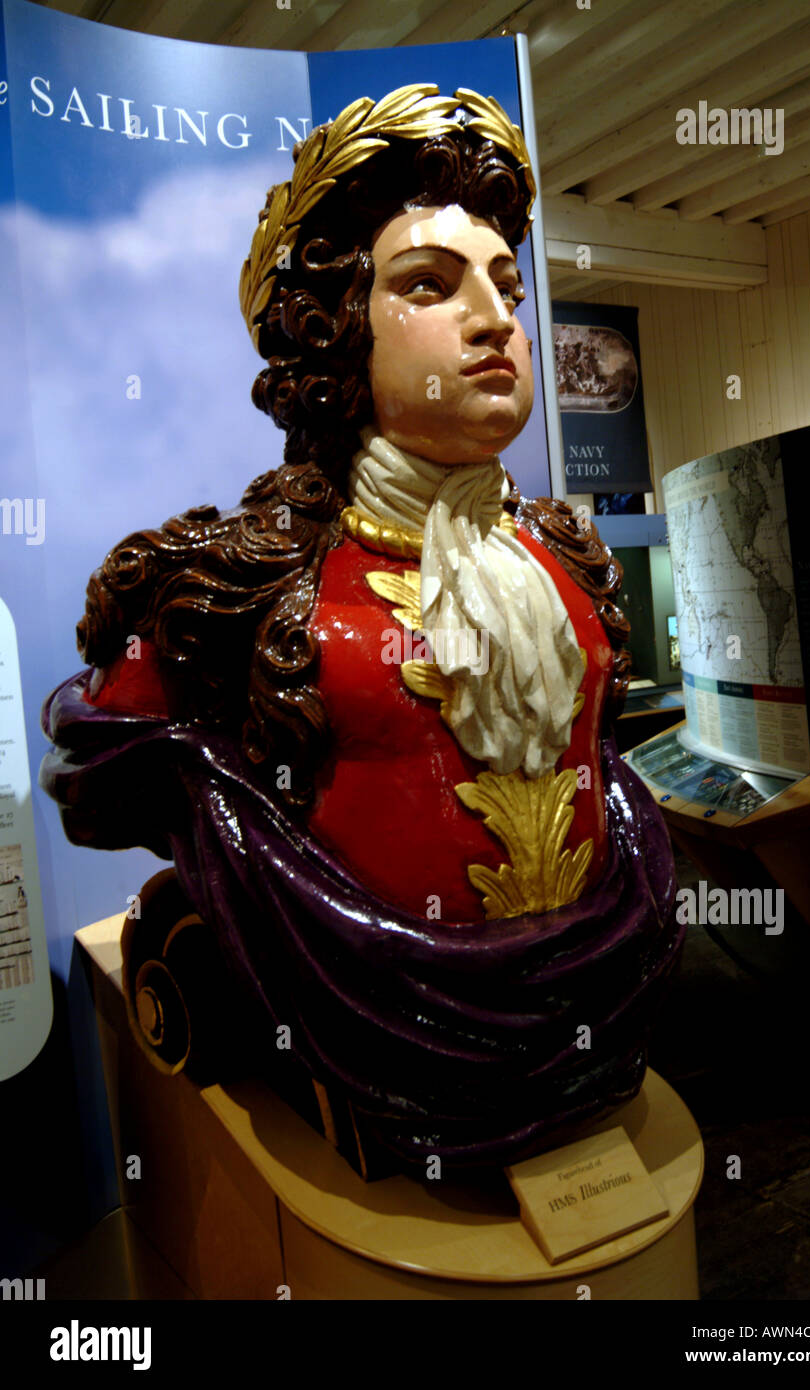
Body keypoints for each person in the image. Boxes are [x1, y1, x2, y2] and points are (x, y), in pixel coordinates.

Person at [41, 85, 681, 1174]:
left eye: (507, 285)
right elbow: (102, 761)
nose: (493, 320)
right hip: (379, 1048)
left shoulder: (566, 562)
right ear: (336, 333)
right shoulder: (246, 584)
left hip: (593, 1021)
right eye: (431, 286)